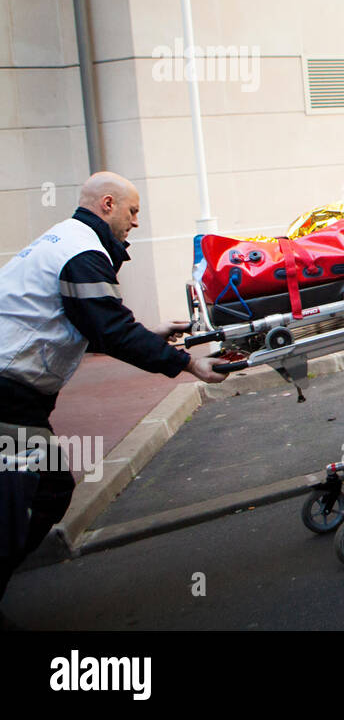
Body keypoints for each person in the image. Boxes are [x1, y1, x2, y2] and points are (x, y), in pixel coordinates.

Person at [0, 172, 228, 618]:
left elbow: (90, 321)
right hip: (7, 397)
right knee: (35, 493)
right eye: (133, 211)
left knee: (38, 489)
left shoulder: (64, 240)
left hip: (15, 394)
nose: (136, 222)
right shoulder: (83, 253)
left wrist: (148, 333)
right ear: (108, 204)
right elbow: (108, 328)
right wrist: (187, 364)